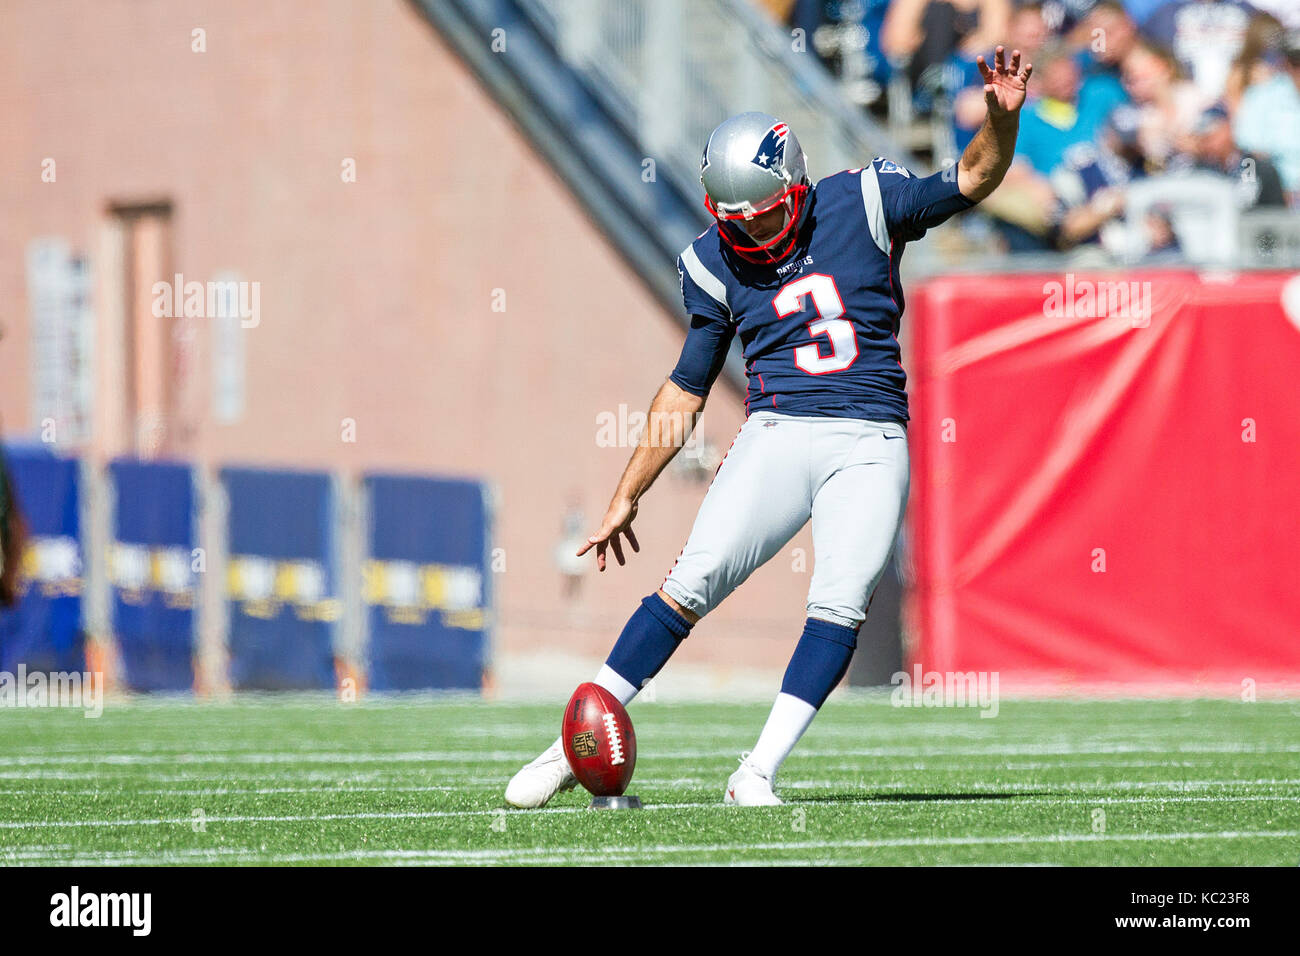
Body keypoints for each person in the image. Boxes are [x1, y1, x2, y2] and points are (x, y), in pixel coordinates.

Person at [505, 47, 1035, 808]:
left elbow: (973, 177)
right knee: (689, 584)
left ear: (797, 181)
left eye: (767, 214)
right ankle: (567, 752)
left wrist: (1001, 117)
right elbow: (686, 389)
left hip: (870, 438)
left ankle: (756, 772)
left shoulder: (865, 200)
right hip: (778, 431)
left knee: (840, 603)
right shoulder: (712, 261)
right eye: (738, 222)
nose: (755, 236)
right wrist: (628, 492)